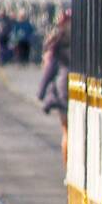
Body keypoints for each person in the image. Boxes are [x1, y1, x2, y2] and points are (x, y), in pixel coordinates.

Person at [38, 10, 72, 165]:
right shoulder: (83, 40)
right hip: (79, 88)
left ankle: (68, 168)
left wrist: (41, 91)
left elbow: (50, 68)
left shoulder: (57, 41)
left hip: (63, 89)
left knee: (67, 131)